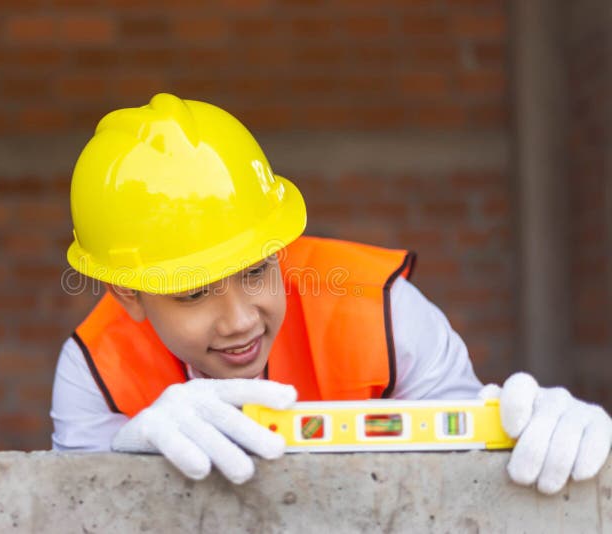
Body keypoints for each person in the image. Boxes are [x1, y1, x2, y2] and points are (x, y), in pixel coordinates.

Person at [50, 93, 611, 494]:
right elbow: (72, 511)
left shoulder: (383, 316)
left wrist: (526, 438)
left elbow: (465, 478)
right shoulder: (96, 367)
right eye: (194, 294)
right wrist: (120, 459)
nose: (240, 319)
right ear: (128, 294)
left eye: (255, 270)